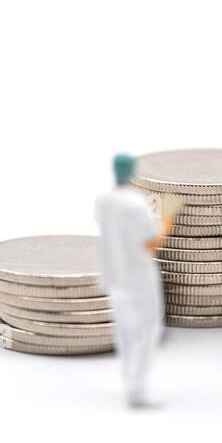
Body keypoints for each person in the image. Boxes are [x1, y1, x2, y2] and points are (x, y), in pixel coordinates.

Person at [93, 153, 174, 407]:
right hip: (139, 273)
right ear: (131, 172)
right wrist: (168, 216)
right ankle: (138, 389)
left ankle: (128, 378)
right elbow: (152, 242)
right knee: (150, 330)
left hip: (114, 274)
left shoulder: (103, 202)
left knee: (125, 330)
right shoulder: (135, 205)